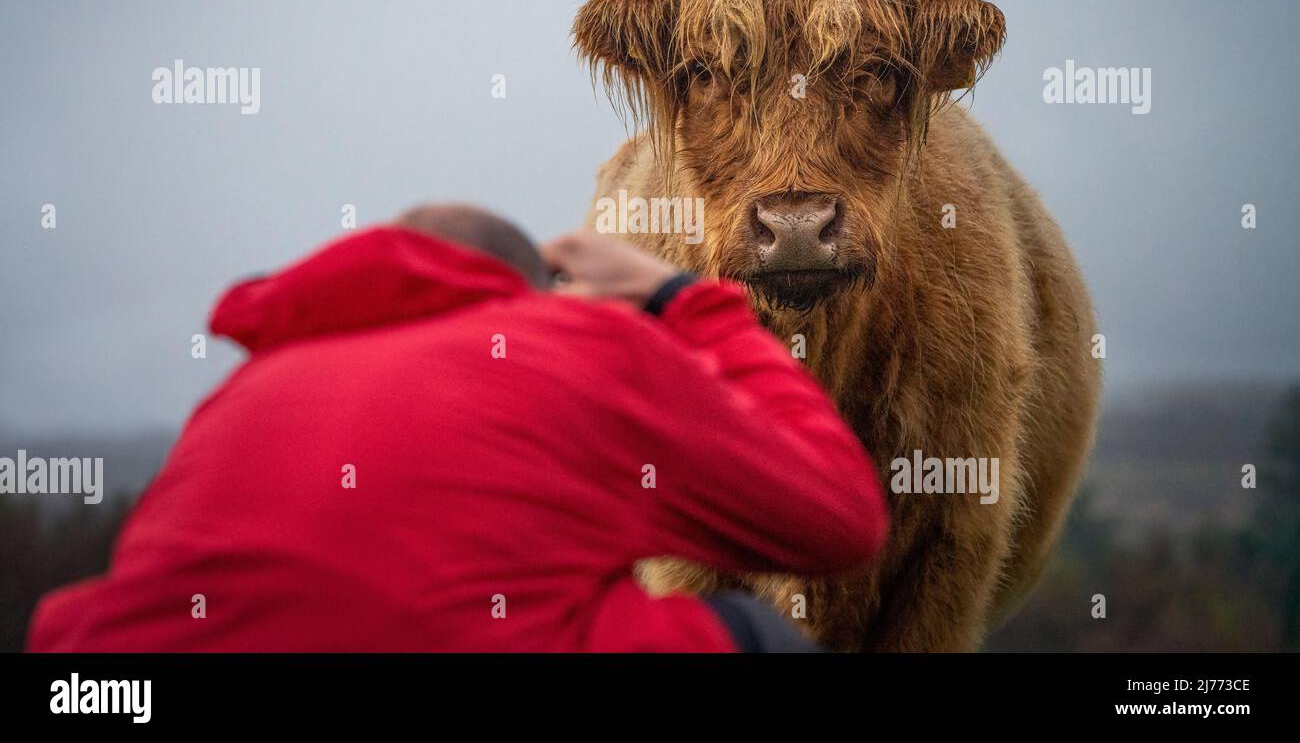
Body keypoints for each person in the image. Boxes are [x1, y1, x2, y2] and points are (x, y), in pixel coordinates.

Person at [27, 204, 888, 652]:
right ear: (535, 287)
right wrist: (681, 297)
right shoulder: (577, 341)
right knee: (750, 634)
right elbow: (839, 517)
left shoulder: (244, 391)